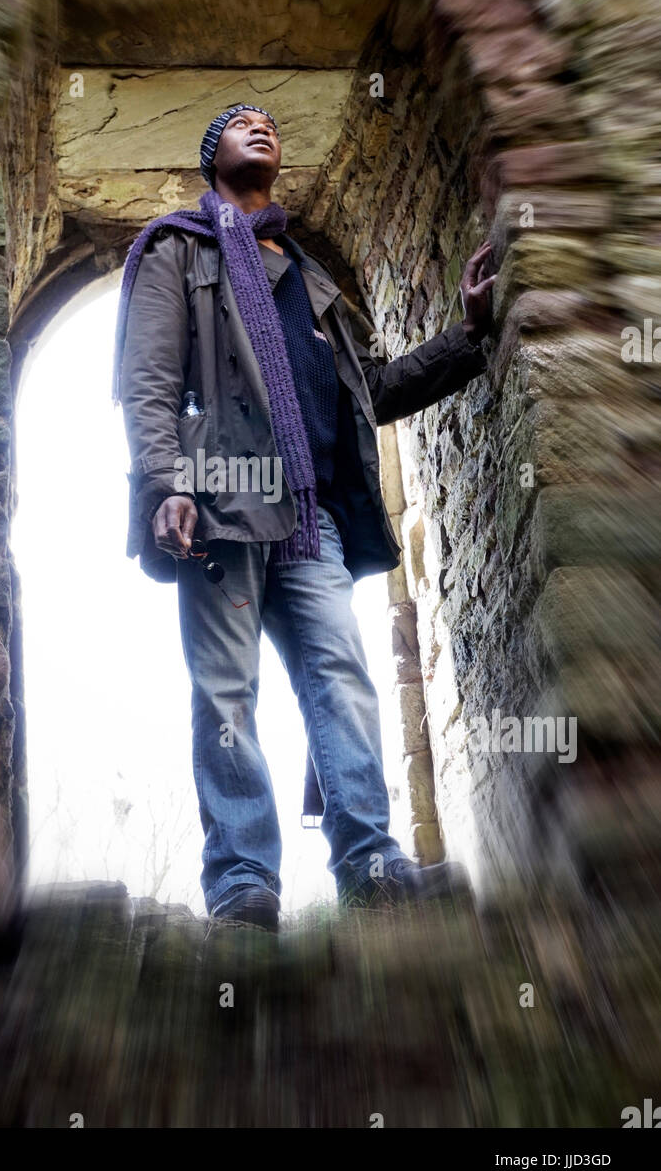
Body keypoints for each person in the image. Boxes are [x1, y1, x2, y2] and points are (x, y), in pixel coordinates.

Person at [113, 104, 495, 932]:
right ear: (212, 155)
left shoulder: (310, 278)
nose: (263, 127)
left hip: (309, 516)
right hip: (218, 502)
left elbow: (374, 390)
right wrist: (165, 485)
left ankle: (371, 867)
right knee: (226, 695)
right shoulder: (176, 249)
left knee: (343, 681)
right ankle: (244, 882)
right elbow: (147, 382)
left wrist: (470, 336)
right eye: (241, 122)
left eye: (273, 123)